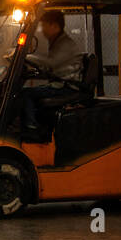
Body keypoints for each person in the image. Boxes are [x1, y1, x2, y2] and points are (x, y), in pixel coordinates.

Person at [19, 9, 83, 142]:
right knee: (29, 94)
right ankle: (36, 126)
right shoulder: (57, 41)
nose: (42, 30)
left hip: (66, 87)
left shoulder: (65, 44)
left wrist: (25, 57)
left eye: (44, 25)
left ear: (54, 26)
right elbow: (51, 66)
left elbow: (51, 63)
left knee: (26, 94)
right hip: (61, 84)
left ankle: (31, 128)